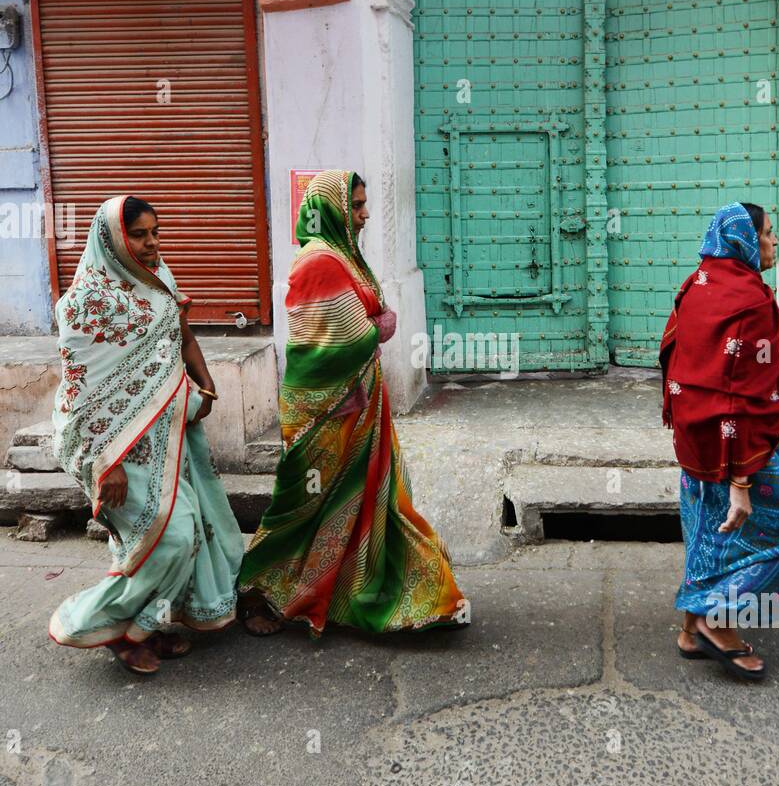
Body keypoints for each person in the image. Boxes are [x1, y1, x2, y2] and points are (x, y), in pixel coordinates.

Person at [237, 169, 468, 638]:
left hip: (357, 402)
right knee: (305, 505)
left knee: (369, 499)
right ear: (332, 211)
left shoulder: (343, 256)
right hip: (325, 412)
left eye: (363, 205)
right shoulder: (319, 262)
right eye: (356, 207)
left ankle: (365, 590)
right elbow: (337, 342)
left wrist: (378, 323)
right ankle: (261, 591)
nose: (363, 217)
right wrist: (381, 326)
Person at [49, 196, 243, 675]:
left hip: (166, 439)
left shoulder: (160, 281)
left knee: (180, 533)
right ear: (113, 239)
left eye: (156, 232)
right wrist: (104, 463)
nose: (152, 243)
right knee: (171, 538)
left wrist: (206, 383)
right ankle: (97, 623)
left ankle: (146, 628)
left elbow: (183, 335)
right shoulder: (85, 304)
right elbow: (81, 395)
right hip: (114, 454)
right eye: (139, 234)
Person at [659, 202, 779, 682]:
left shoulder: (696, 284)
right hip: (738, 447)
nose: (773, 242)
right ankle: (717, 619)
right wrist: (741, 480)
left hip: (697, 443)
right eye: (767, 234)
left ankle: (690, 631)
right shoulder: (751, 300)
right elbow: (745, 393)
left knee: (706, 531)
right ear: (745, 240)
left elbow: (672, 358)